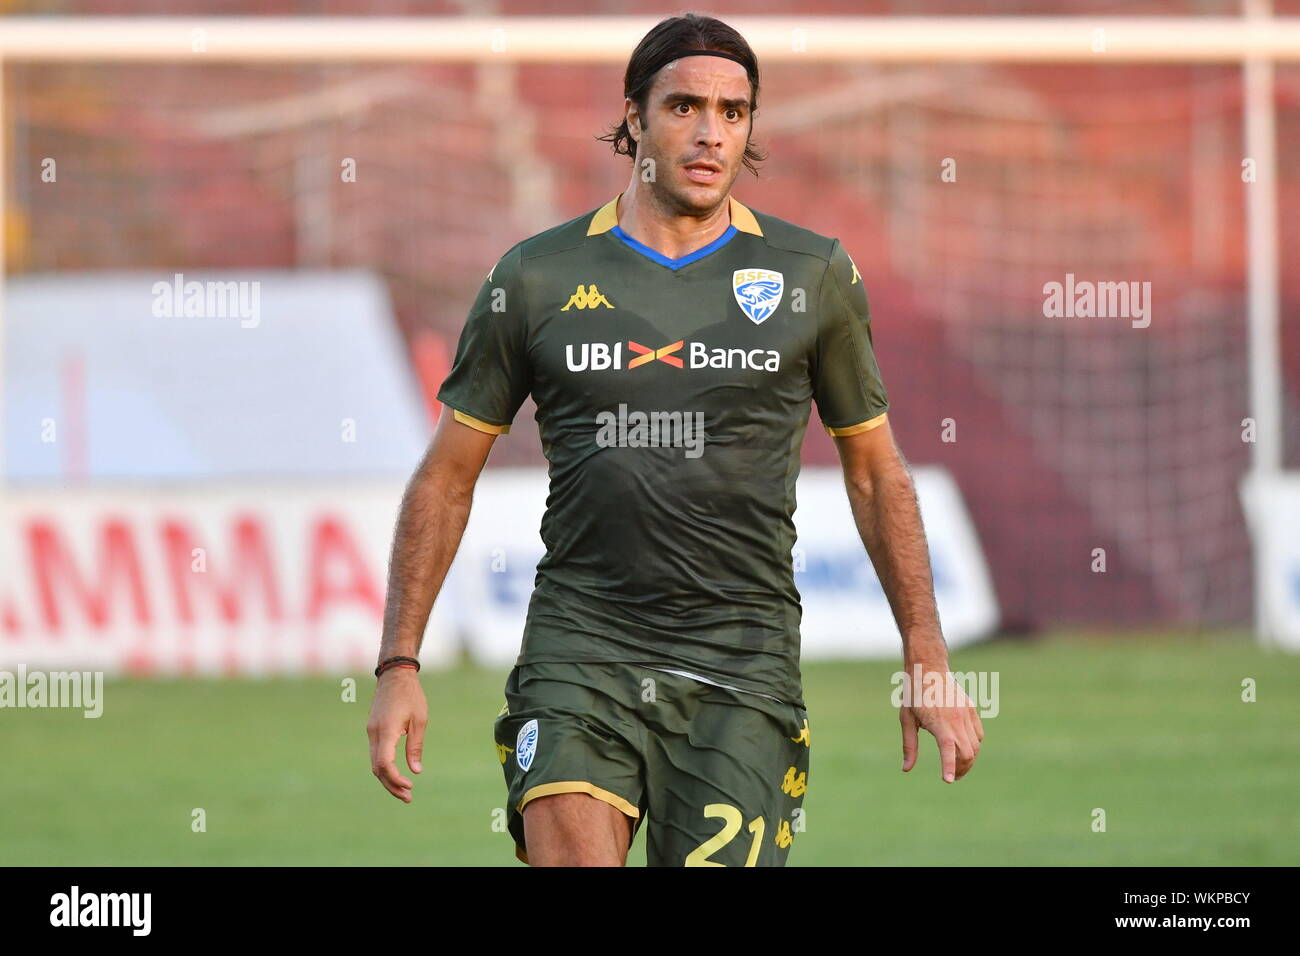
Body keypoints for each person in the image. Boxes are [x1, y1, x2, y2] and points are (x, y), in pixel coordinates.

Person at [367, 12, 983, 867]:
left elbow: (875, 473)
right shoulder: (536, 277)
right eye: (685, 106)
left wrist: (925, 652)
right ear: (633, 119)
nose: (710, 133)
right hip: (580, 648)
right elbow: (445, 478)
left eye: (734, 112)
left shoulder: (813, 277)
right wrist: (400, 661)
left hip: (742, 658)